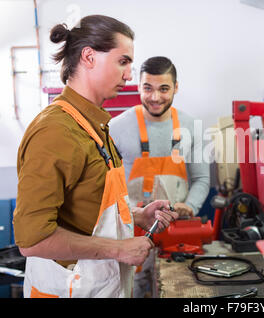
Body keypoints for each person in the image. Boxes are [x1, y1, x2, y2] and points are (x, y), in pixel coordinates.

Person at [13, 15, 178, 298]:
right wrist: (118, 249)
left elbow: (85, 210)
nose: (129, 75)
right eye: (122, 61)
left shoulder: (93, 125)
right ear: (89, 57)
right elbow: (32, 239)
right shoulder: (56, 132)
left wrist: (137, 216)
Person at [109, 56, 210, 297]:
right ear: (138, 87)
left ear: (176, 87)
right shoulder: (116, 127)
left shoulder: (192, 126)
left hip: (177, 234)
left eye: (164, 88)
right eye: (148, 88)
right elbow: (104, 185)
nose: (155, 97)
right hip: (130, 233)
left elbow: (202, 179)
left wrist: (190, 205)